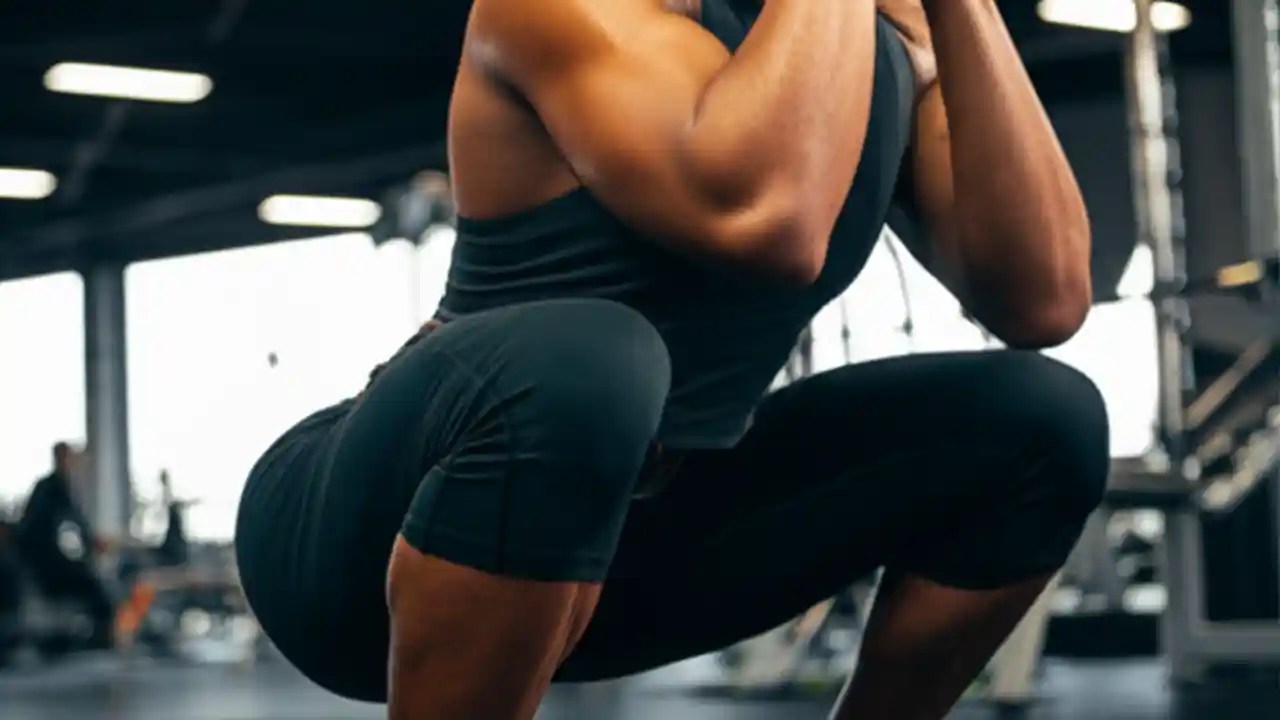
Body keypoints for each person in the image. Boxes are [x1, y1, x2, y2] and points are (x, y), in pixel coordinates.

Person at [235, 0, 1108, 717]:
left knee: (1042, 421)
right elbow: (769, 221)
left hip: (634, 535)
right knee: (594, 359)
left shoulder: (859, 36)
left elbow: (1043, 297)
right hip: (377, 538)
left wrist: (961, 17)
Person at [14, 442, 115, 649]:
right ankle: (103, 638)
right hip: (44, 564)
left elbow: (76, 524)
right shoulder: (53, 488)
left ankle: (101, 635)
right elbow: (72, 524)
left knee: (94, 584)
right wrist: (88, 544)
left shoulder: (55, 487)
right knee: (96, 590)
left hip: (45, 561)